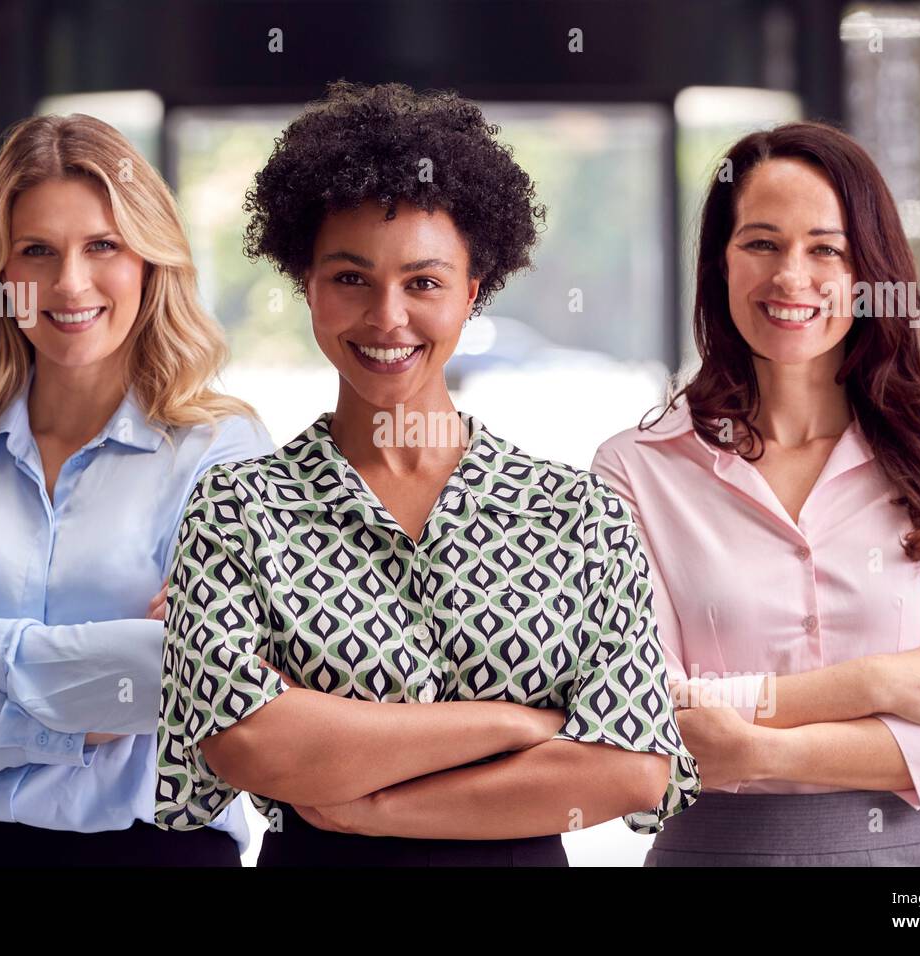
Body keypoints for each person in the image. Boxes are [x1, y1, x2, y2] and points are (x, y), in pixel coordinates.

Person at [152, 80, 699, 866]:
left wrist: (368, 805)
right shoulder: (239, 506)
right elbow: (243, 742)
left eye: (424, 282)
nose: (387, 317)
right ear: (307, 287)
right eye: (350, 279)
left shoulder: (576, 513)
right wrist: (514, 724)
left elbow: (632, 766)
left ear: (473, 292)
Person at [0, 113, 273, 866]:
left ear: (149, 261)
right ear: (1, 275)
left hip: (161, 855)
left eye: (102, 246)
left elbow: (197, 670)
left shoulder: (220, 453)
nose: (69, 283)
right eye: (37, 252)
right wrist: (70, 725)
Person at [592, 121, 920, 866]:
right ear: (719, 265)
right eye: (761, 243)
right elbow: (651, 716)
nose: (792, 277)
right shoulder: (636, 471)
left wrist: (754, 747)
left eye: (827, 248)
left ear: (868, 274)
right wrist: (881, 681)